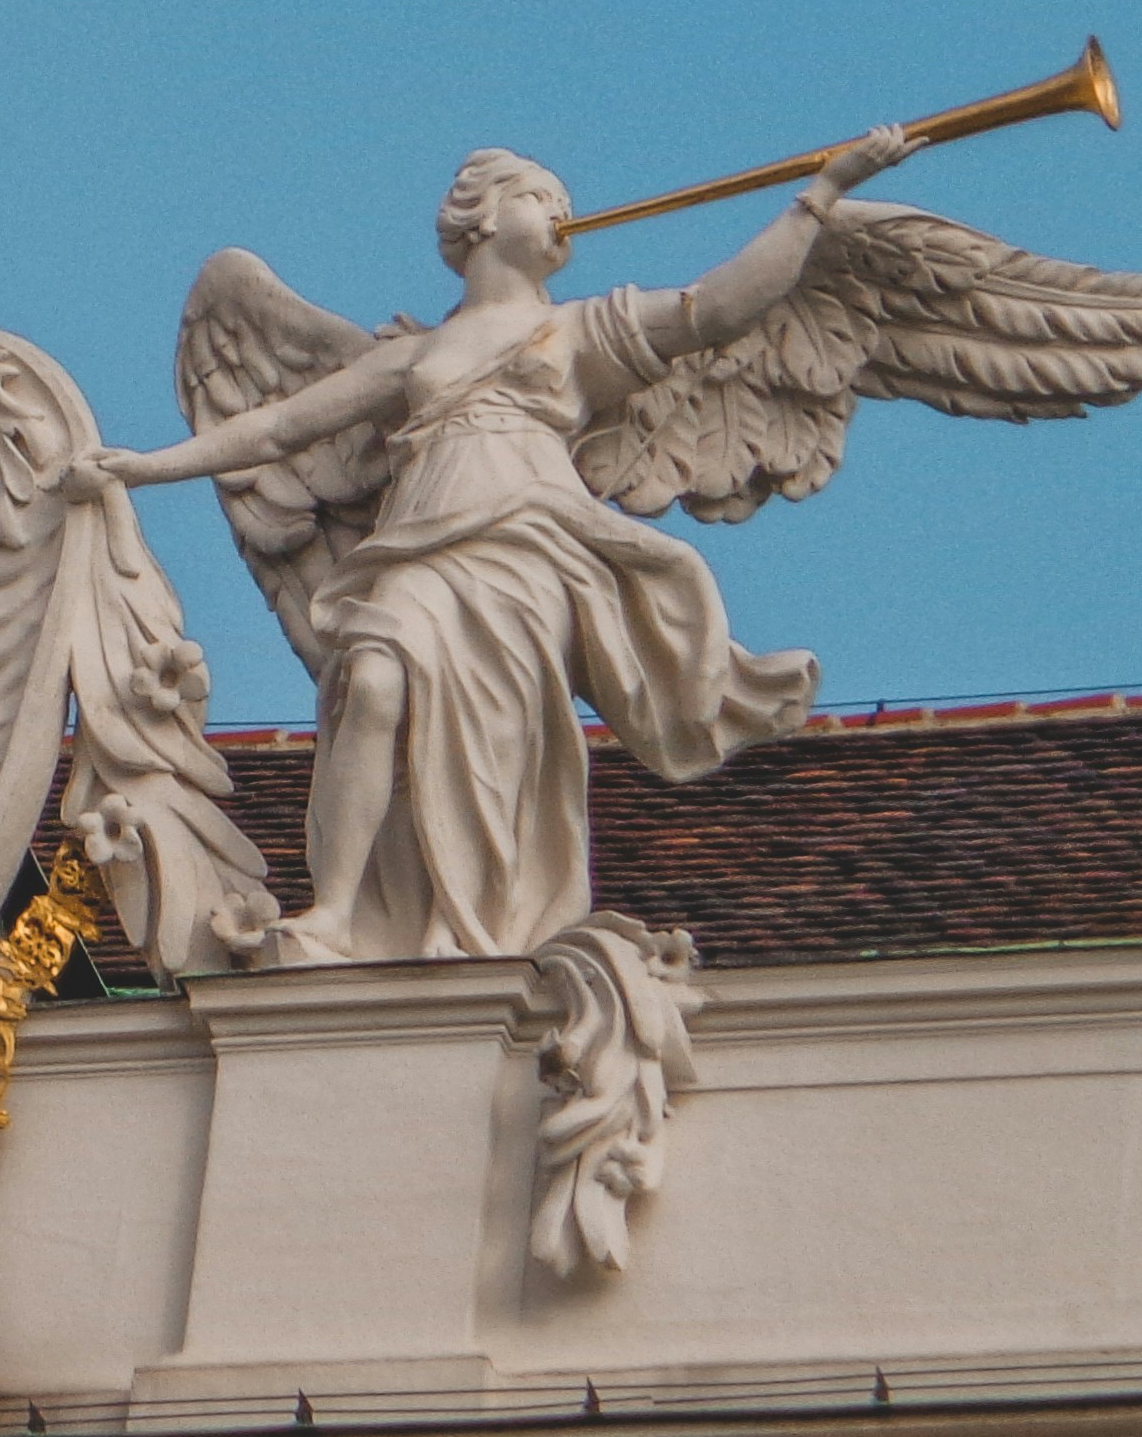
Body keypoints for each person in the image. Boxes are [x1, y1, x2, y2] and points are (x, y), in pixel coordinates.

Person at [75, 125, 917, 961]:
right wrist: (150, 465)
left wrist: (821, 195)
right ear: (480, 218)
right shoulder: (419, 354)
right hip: (417, 543)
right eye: (540, 196)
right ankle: (336, 909)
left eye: (562, 202)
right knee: (370, 684)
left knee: (494, 740)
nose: (561, 212)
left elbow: (717, 308)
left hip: (525, 547)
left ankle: (479, 924)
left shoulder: (583, 329)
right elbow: (279, 426)